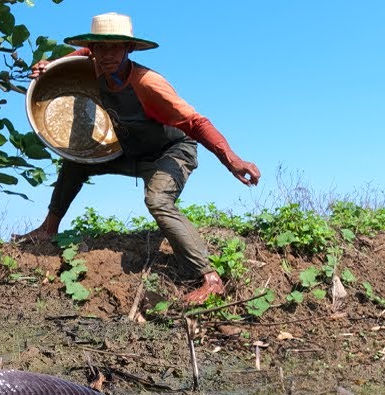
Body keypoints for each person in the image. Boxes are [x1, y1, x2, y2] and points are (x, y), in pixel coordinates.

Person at [17, 13, 260, 305]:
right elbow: (80, 54)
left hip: (173, 151)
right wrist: (51, 66)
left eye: (115, 47)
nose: (106, 55)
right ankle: (48, 228)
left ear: (128, 49)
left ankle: (210, 278)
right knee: (76, 160)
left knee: (158, 200)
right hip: (131, 151)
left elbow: (195, 122)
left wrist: (230, 158)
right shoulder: (94, 62)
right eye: (99, 48)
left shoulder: (148, 83)